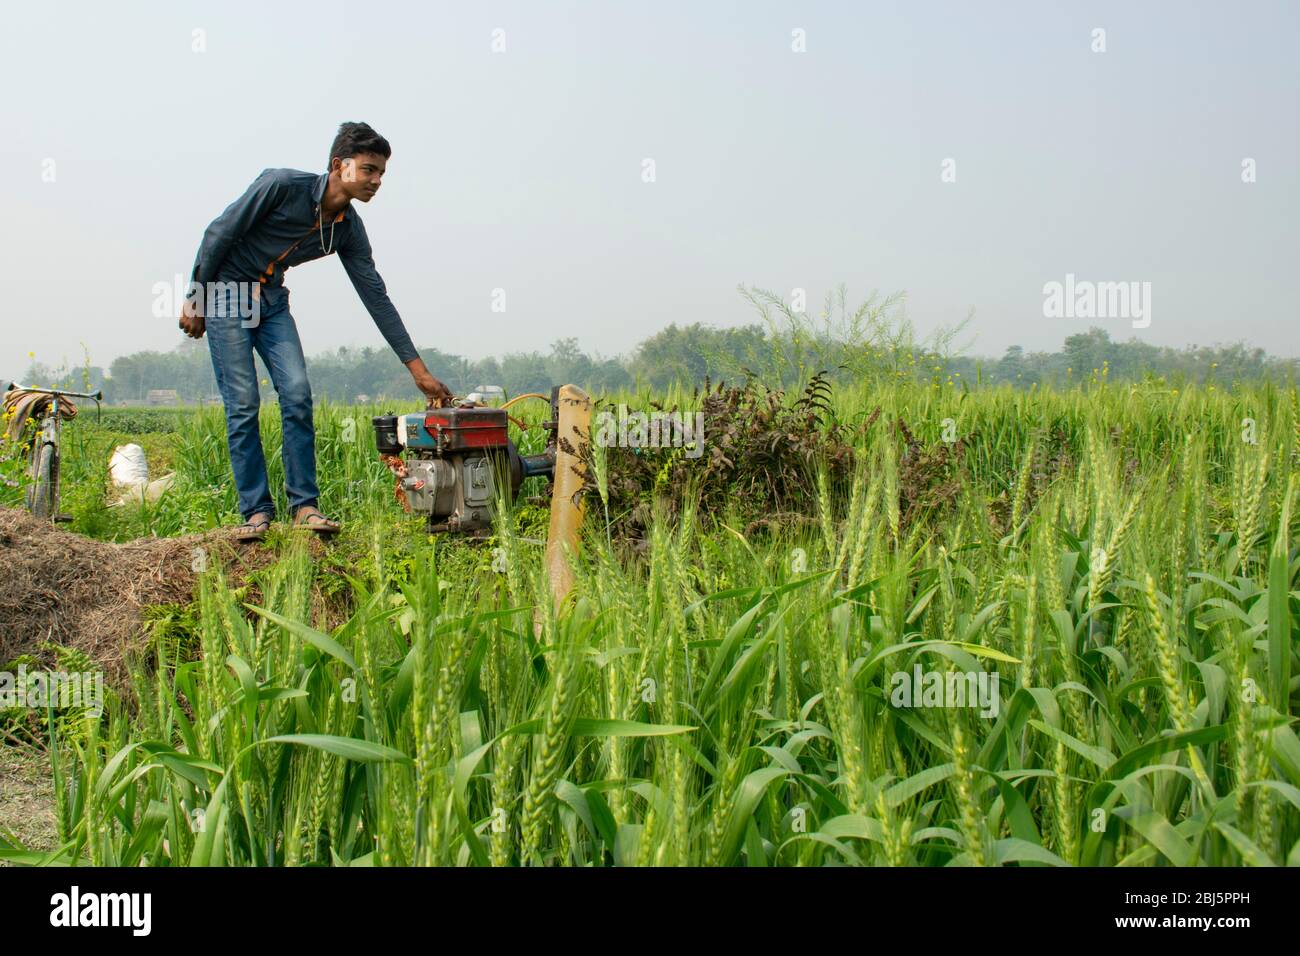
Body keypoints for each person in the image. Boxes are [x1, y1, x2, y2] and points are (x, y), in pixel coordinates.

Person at [178, 121, 452, 539]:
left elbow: (375, 296)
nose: (376, 181)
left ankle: (304, 507)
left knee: (298, 394)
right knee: (243, 403)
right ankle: (255, 513)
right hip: (226, 294)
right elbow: (219, 231)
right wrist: (196, 297)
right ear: (339, 165)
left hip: (271, 300)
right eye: (368, 170)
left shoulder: (348, 229)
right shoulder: (281, 185)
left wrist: (418, 371)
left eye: (381, 174)